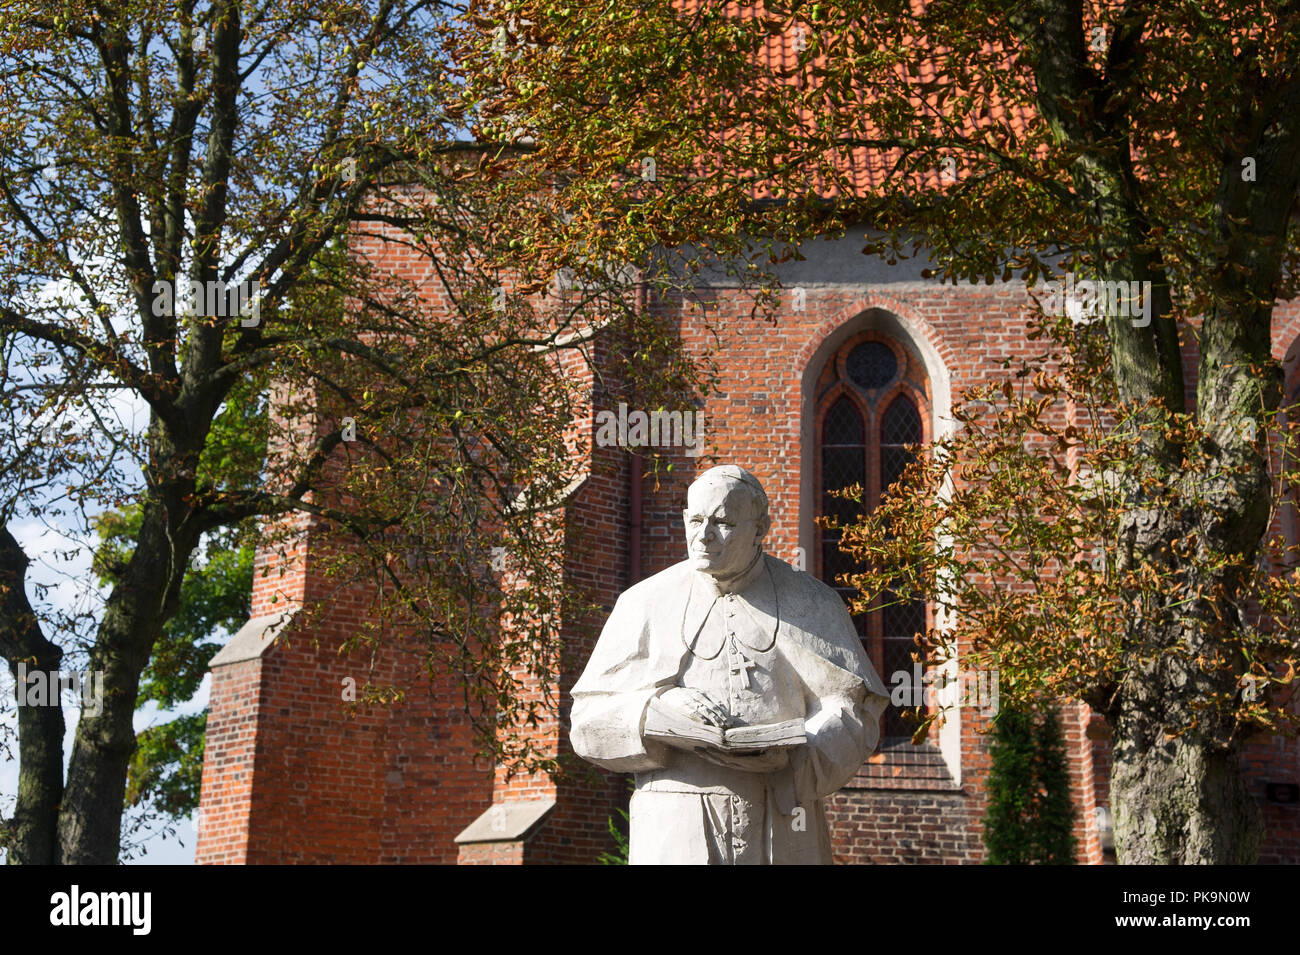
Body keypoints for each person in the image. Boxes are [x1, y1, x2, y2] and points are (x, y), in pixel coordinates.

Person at [570, 464, 890, 864]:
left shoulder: (813, 602)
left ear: (760, 528)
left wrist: (799, 749)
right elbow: (586, 722)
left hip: (783, 820)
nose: (703, 536)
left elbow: (853, 705)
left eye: (722, 522)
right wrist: (658, 715)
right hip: (676, 822)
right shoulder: (644, 603)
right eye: (696, 520)